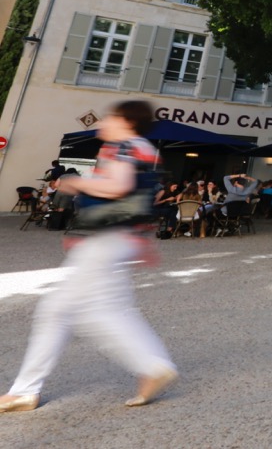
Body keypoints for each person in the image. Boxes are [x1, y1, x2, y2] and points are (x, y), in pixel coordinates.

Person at [0, 100, 177, 413]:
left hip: (102, 240)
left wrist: (74, 181)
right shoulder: (147, 149)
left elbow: (116, 187)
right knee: (91, 310)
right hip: (122, 240)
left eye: (110, 117)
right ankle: (152, 366)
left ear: (124, 120)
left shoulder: (121, 146)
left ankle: (25, 391)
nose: (104, 123)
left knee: (69, 311)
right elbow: (148, 197)